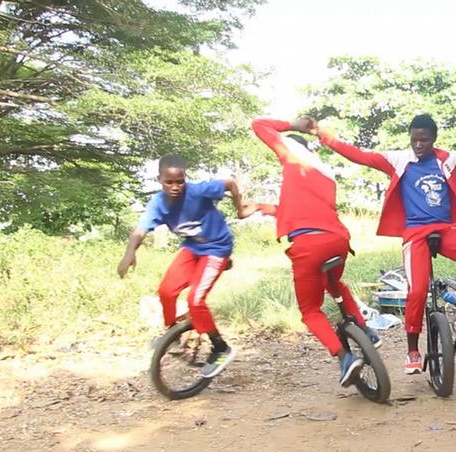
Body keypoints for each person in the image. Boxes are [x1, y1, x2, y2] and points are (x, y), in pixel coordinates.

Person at [298, 114, 456, 375]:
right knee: (417, 291)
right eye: (414, 140)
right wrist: (321, 134)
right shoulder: (399, 159)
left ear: (434, 139)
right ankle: (412, 350)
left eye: (424, 140)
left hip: (447, 228)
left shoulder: (449, 160)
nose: (418, 145)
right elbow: (358, 155)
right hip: (415, 233)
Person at [251, 117, 378, 387]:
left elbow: (258, 124)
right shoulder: (324, 172)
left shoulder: (292, 156)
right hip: (338, 239)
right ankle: (365, 329)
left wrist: (293, 125)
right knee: (334, 283)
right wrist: (263, 208)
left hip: (309, 247)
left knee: (310, 309)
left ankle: (344, 358)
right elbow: (295, 209)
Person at [117, 156, 253, 378]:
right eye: (169, 182)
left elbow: (229, 183)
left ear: (185, 179)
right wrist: (130, 252)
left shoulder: (198, 191)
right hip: (192, 248)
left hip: (217, 248)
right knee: (166, 291)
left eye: (179, 181)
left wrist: (240, 207)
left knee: (195, 300)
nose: (175, 187)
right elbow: (140, 230)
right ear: (159, 180)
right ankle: (172, 333)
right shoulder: (158, 204)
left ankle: (220, 348)